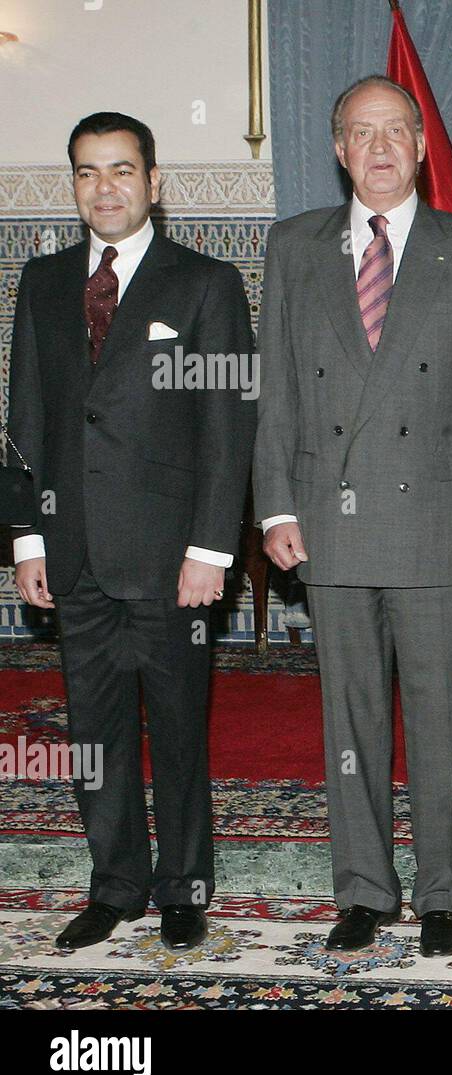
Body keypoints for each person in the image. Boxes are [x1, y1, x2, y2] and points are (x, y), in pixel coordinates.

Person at [253, 75, 452, 957]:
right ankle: (364, 889)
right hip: (328, 521)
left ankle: (447, 891)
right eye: (359, 133)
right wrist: (275, 507)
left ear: (418, 146)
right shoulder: (293, 248)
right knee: (351, 722)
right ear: (338, 150)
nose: (377, 148)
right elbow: (278, 396)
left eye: (394, 132)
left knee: (444, 716)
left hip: (440, 524)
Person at [7, 112, 257, 952]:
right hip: (71, 551)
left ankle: (185, 883)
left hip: (169, 558)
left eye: (121, 170)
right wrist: (28, 538)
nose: (104, 187)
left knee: (179, 724)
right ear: (72, 183)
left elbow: (229, 426)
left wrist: (211, 550)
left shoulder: (203, 284)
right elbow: (25, 421)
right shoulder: (41, 284)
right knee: (93, 733)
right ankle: (115, 882)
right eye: (87, 172)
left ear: (155, 182)